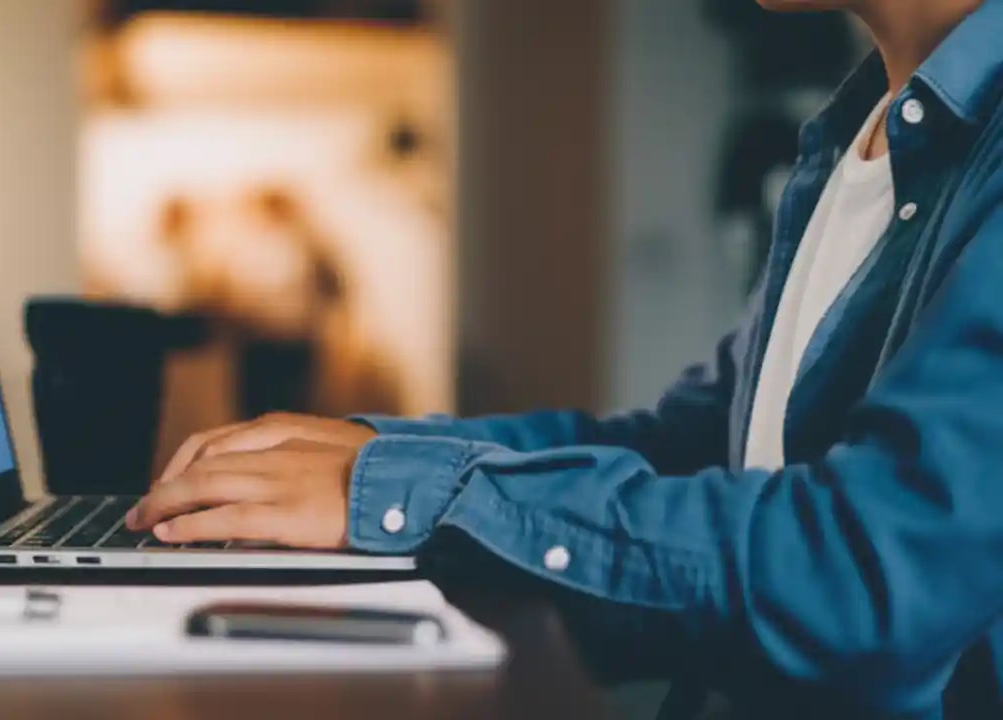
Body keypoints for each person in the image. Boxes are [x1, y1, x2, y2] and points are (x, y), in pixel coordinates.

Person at [126, 1, 1003, 716]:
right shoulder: (863, 134)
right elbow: (695, 447)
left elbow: (864, 570)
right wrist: (373, 458)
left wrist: (408, 495)